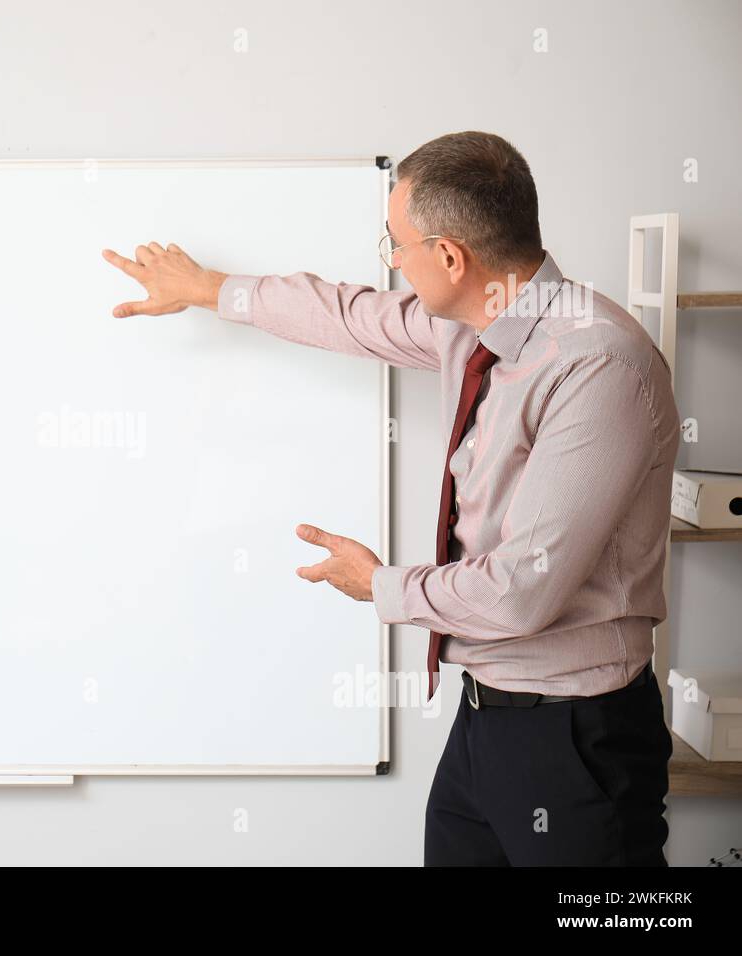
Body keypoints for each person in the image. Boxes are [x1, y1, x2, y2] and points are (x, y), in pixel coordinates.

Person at [101, 131, 677, 866]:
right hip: (485, 721)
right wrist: (208, 289)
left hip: (576, 739)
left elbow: (520, 593)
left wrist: (377, 586)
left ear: (450, 258)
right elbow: (349, 315)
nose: (393, 264)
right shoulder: (471, 330)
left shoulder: (599, 366)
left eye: (396, 246)